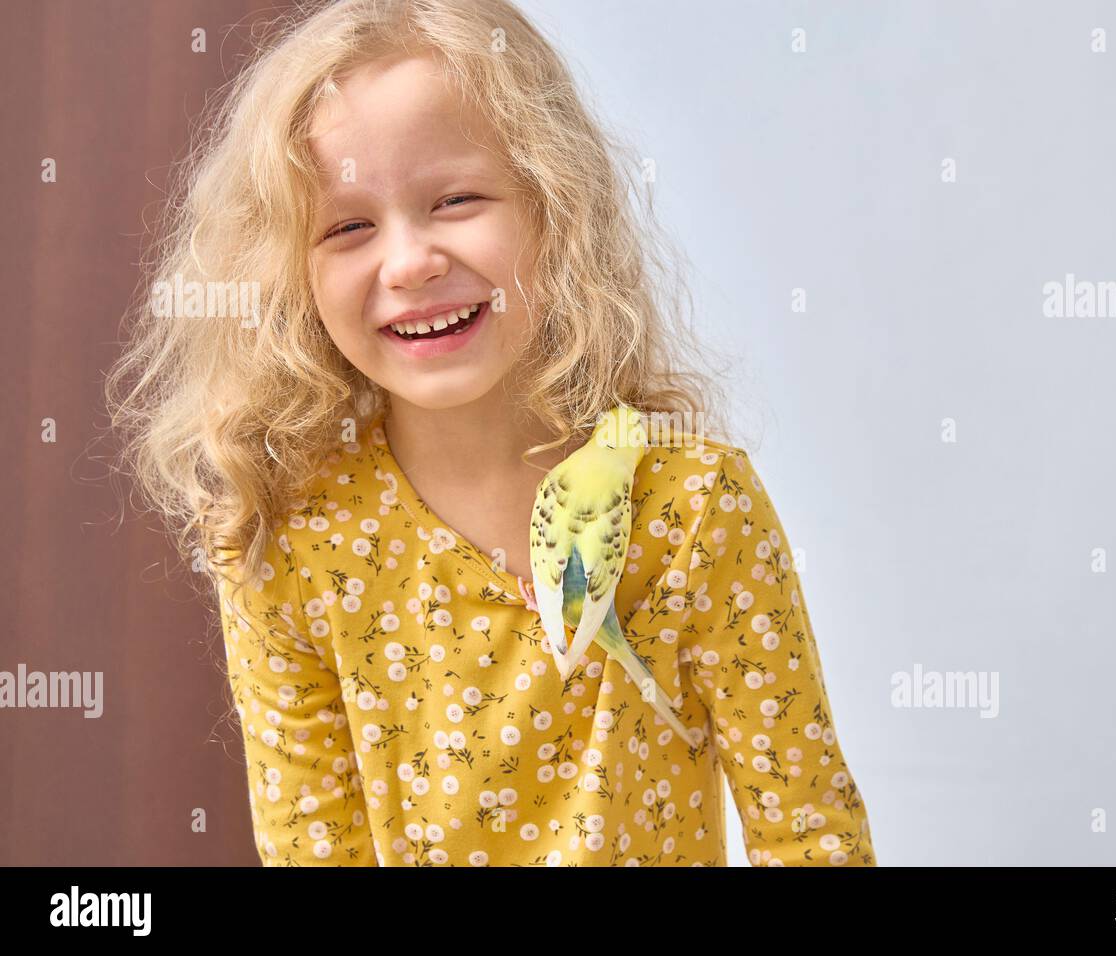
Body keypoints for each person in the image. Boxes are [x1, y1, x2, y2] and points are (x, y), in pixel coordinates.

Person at [105, 0, 876, 867]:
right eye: (349, 226)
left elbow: (808, 833)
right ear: (290, 271)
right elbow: (314, 852)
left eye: (457, 199)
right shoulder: (287, 539)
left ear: (555, 209)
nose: (409, 262)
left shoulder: (694, 506)